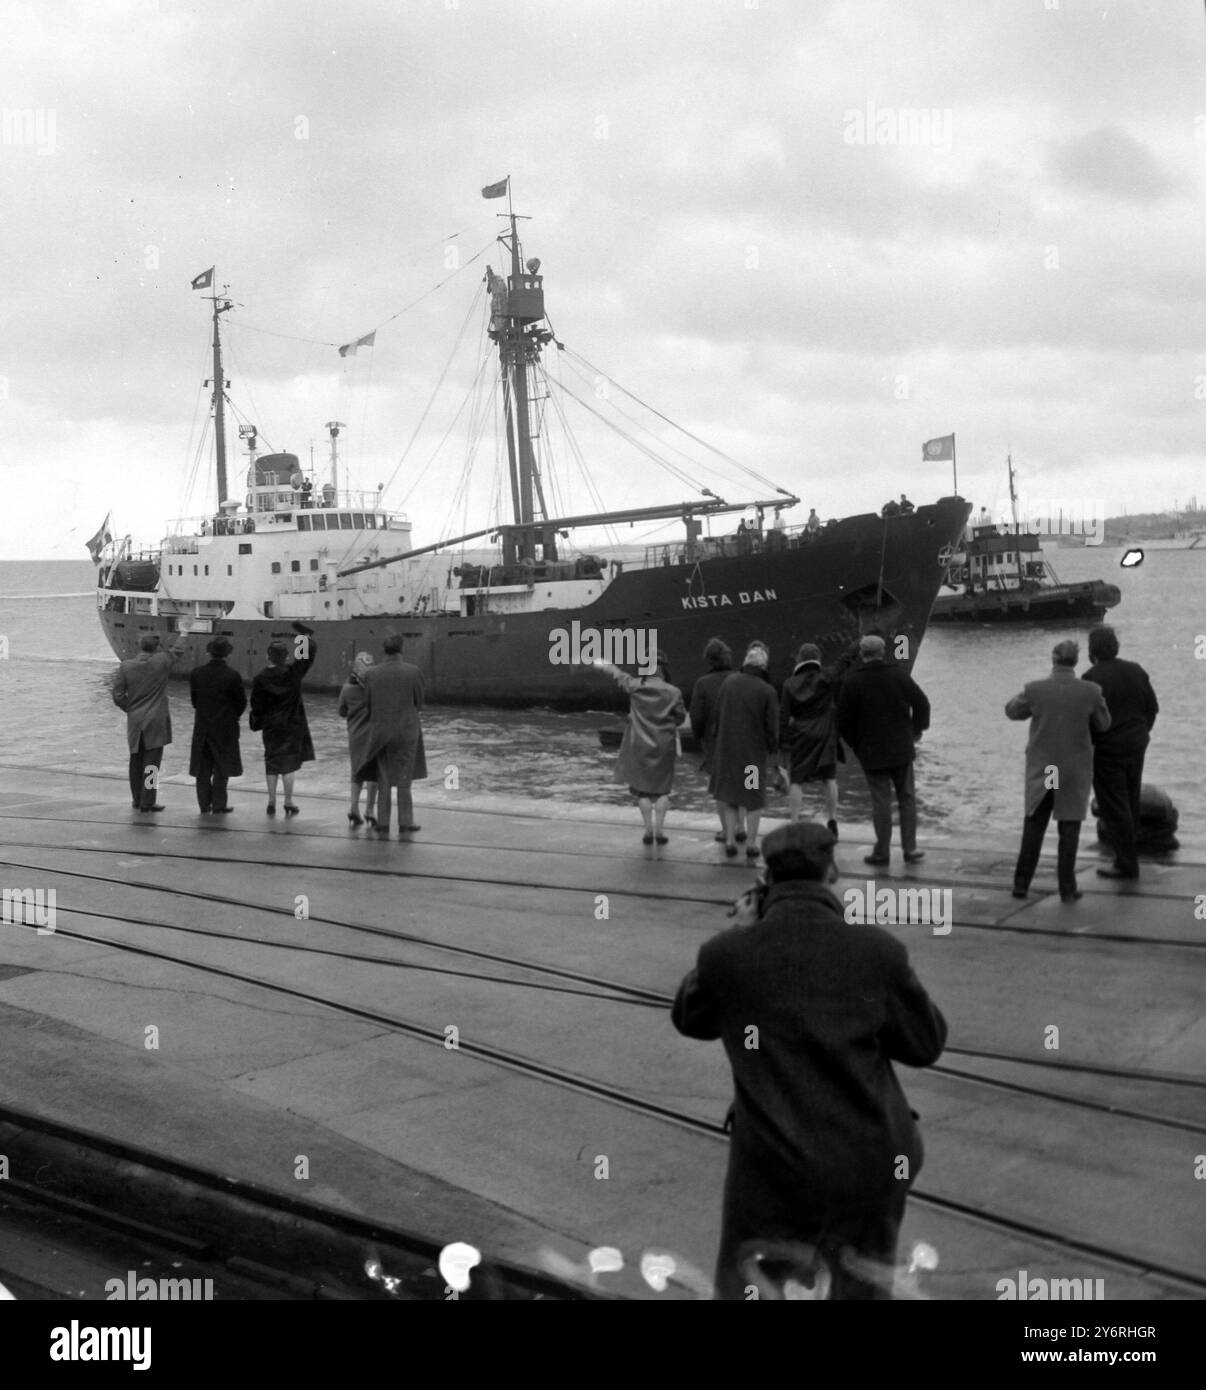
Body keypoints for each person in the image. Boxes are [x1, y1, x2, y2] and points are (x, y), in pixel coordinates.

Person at [672, 821, 947, 1300]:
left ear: (766, 880)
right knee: (862, 1281)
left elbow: (690, 1018)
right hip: (871, 1160)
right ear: (832, 871)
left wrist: (740, 931)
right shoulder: (877, 952)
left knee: (757, 1281)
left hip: (773, 1167)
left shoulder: (728, 955)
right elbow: (925, 1044)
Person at [1005, 639, 1111, 902]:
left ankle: (1021, 884)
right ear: (1076, 661)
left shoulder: (1035, 689)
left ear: (1054, 658)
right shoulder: (1091, 691)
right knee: (1069, 828)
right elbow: (1104, 724)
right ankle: (1067, 887)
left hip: (1045, 770)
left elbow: (1011, 711)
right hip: (1073, 769)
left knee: (1035, 824)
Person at [837, 634, 930, 866]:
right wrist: (916, 730)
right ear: (883, 651)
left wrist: (857, 744)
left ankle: (882, 852)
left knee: (880, 801)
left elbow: (842, 721)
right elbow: (922, 704)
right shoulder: (899, 675)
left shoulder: (852, 681)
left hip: (872, 751)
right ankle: (910, 848)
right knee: (907, 798)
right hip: (901, 748)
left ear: (861, 654)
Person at [1081, 626, 1159, 882]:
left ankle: (1126, 864)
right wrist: (1142, 732)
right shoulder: (1136, 670)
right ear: (1115, 645)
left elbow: (1088, 720)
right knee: (1131, 798)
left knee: (1114, 805)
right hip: (1137, 743)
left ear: (1092, 651)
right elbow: (1152, 708)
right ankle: (1128, 855)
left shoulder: (1090, 678)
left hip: (1107, 749)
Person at [595, 655, 686, 847]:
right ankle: (660, 831)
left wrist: (605, 665)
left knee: (643, 791)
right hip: (664, 745)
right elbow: (680, 717)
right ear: (662, 670)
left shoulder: (636, 686)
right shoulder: (674, 691)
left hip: (640, 744)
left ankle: (648, 830)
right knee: (662, 790)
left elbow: (619, 675)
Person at [779, 640, 857, 838]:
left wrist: (783, 742)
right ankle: (832, 819)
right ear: (818, 659)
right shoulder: (827, 676)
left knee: (796, 780)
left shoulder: (789, 684)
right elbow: (844, 661)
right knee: (829, 778)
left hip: (801, 733)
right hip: (825, 733)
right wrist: (860, 641)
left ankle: (795, 821)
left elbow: (783, 716)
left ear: (799, 658)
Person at [709, 642, 779, 861]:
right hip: (752, 758)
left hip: (727, 753)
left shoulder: (729, 682)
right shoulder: (767, 690)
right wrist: (772, 751)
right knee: (752, 799)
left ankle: (729, 841)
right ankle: (750, 843)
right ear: (764, 665)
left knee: (730, 797)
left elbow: (717, 715)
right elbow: (772, 728)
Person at [111, 627, 189, 811]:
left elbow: (117, 695)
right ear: (156, 648)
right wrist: (184, 633)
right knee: (152, 765)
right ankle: (149, 800)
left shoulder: (126, 666)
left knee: (135, 762)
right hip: (156, 720)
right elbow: (177, 651)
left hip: (135, 721)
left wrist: (130, 708)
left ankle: (136, 799)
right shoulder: (161, 662)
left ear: (140, 646)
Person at [361, 634, 426, 837]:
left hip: (381, 731)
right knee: (405, 778)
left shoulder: (372, 673)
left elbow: (367, 704)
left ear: (384, 650)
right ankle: (405, 822)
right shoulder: (413, 672)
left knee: (383, 778)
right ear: (401, 649)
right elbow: (420, 703)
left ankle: (382, 821)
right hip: (406, 731)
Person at [249, 623, 317, 816]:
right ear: (286, 657)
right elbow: (304, 659)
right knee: (288, 766)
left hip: (271, 725)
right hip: (291, 725)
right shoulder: (292, 674)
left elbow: (256, 704)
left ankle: (271, 801)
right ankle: (288, 801)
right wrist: (304, 637)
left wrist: (258, 720)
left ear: (267, 656)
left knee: (271, 761)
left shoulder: (260, 678)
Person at [689, 637, 739, 845]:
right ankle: (745, 831)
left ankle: (727, 833)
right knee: (749, 786)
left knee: (721, 789)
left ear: (709, 660)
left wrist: (699, 736)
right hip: (749, 748)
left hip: (716, 745)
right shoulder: (743, 679)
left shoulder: (703, 684)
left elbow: (697, 717)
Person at [188, 636, 246, 814]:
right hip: (225, 728)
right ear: (227, 654)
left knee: (203, 768)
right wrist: (231, 716)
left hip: (203, 726)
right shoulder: (233, 676)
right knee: (222, 768)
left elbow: (195, 701)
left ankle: (204, 804)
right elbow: (241, 703)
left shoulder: (197, 673)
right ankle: (220, 804)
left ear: (209, 652)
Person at [337, 652, 379, 828]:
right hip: (373, 735)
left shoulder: (347, 689)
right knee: (373, 775)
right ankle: (369, 810)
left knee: (357, 774)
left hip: (355, 736)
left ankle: (353, 808)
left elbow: (341, 711)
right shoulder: (376, 690)